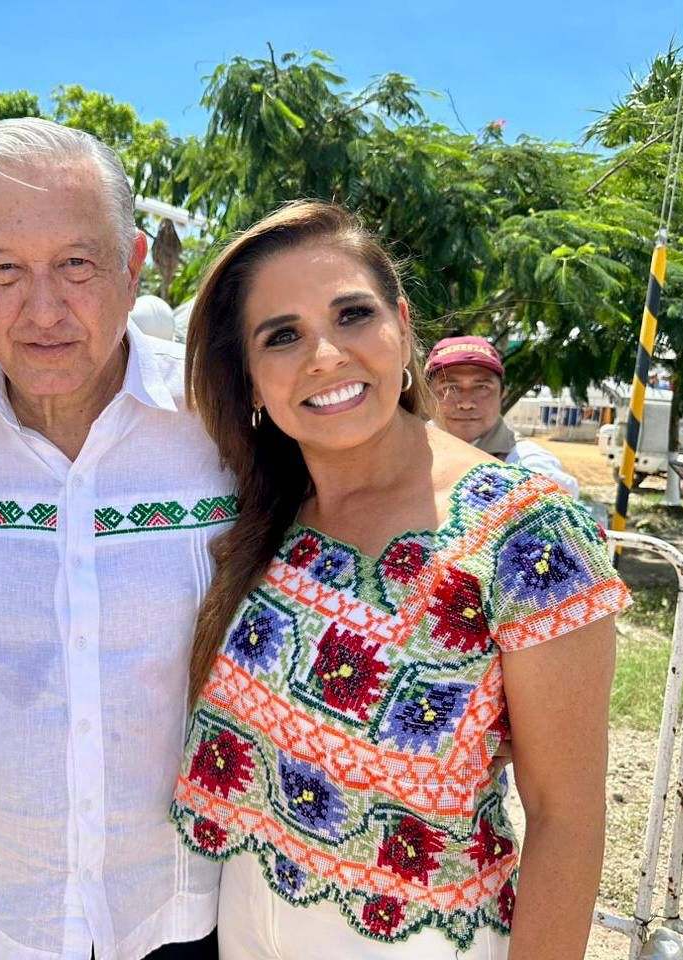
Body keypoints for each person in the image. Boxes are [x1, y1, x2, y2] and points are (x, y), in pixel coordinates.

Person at [170, 201, 630, 960]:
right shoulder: (259, 508)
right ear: (250, 380)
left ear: (402, 326)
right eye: (282, 336)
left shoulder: (526, 532)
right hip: (243, 922)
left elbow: (566, 817)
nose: (325, 356)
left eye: (352, 315)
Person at [0, 117, 232, 960]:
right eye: (3, 271)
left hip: (187, 911)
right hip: (1, 917)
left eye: (76, 264)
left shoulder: (226, 422)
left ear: (132, 265)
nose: (42, 310)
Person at [426, 336, 580, 497]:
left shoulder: (525, 465)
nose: (466, 403)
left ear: (502, 394)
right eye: (449, 387)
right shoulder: (410, 451)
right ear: (426, 394)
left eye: (482, 387)